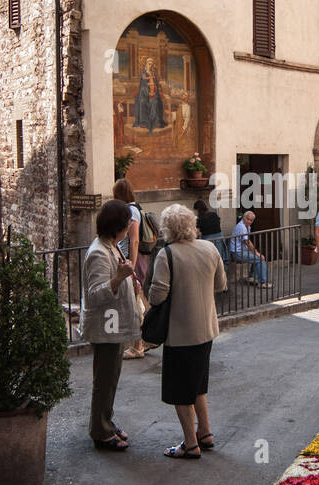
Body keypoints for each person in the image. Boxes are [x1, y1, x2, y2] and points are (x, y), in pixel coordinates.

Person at [147, 203, 227, 459]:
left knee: (180, 390)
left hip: (180, 332)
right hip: (206, 328)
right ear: (192, 224)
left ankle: (190, 444)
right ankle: (205, 432)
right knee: (198, 384)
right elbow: (221, 284)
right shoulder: (209, 248)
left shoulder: (167, 254)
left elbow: (158, 295)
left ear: (167, 229)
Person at [79, 199, 140, 450]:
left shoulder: (111, 246)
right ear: (117, 227)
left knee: (110, 378)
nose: (129, 228)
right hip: (105, 328)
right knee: (104, 381)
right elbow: (94, 295)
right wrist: (119, 278)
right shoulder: (98, 253)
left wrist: (127, 281)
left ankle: (106, 421)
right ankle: (100, 431)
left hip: (113, 327)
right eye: (126, 224)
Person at [113, 176, 148, 359]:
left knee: (134, 302)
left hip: (133, 261)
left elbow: (134, 240)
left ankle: (138, 346)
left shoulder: (131, 211)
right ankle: (142, 341)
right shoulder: (133, 208)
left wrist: (131, 267)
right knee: (136, 301)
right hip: (132, 260)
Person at [230, 210, 271, 286]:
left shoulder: (247, 226)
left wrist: (255, 253)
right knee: (260, 259)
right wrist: (257, 253)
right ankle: (263, 282)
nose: (249, 221)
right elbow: (247, 242)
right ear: (243, 218)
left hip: (241, 251)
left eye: (251, 220)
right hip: (237, 252)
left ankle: (251, 277)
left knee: (256, 258)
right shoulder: (242, 227)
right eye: (247, 219)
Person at [193, 198, 229, 264]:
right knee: (220, 260)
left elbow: (196, 233)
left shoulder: (200, 219)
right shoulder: (214, 214)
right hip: (219, 240)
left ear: (197, 209)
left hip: (209, 242)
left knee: (211, 262)